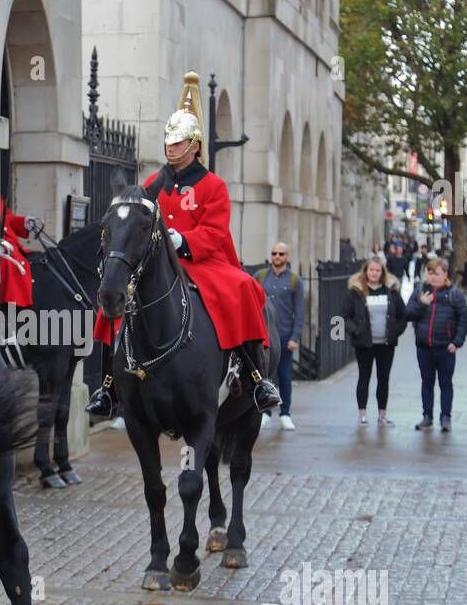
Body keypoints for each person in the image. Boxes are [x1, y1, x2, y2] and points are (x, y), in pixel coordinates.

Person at [86, 74, 280, 417]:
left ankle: (255, 375)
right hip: (158, 261)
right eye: (168, 142)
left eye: (177, 143)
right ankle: (107, 387)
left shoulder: (213, 185)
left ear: (194, 145)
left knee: (243, 287)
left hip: (203, 260)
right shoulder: (154, 183)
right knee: (112, 299)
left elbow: (217, 231)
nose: (170, 148)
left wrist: (184, 240)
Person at [404, 256, 467, 431]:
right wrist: (422, 305)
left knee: (445, 383)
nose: (432, 277)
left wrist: (457, 342)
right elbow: (408, 314)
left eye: (436, 273)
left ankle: (445, 417)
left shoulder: (454, 294)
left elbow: (463, 319)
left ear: (445, 274)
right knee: (427, 382)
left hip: (445, 347)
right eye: (430, 273)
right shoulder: (419, 291)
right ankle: (427, 417)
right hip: (424, 347)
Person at [343, 256, 406, 426]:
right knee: (364, 377)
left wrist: (396, 332)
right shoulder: (356, 292)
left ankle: (382, 415)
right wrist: (355, 331)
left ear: (382, 272)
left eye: (378, 270)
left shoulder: (391, 291)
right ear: (365, 271)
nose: (374, 273)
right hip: (364, 344)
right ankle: (362, 414)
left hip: (386, 344)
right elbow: (344, 317)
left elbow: (403, 315)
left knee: (383, 378)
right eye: (371, 270)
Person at [254, 243, 306, 430]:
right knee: (265, 376)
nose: (277, 256)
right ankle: (265, 412)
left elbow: (300, 311)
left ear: (287, 257)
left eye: (281, 254)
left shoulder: (294, 280)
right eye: (274, 253)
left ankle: (285, 413)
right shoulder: (260, 276)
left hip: (284, 334)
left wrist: (295, 337)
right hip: (263, 335)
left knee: (284, 375)